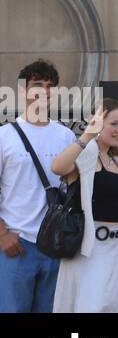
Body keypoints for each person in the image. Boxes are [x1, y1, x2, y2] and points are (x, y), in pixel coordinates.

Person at [0, 60, 77, 312]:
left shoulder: (66, 136)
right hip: (16, 243)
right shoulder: (5, 136)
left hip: (55, 244)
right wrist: (2, 234)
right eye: (37, 85)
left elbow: (76, 189)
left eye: (49, 86)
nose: (44, 91)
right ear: (22, 90)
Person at [49, 101, 118, 312]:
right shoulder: (86, 153)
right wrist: (87, 135)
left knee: (111, 306)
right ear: (97, 122)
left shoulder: (117, 161)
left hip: (116, 247)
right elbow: (58, 167)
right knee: (90, 306)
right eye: (114, 124)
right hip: (90, 247)